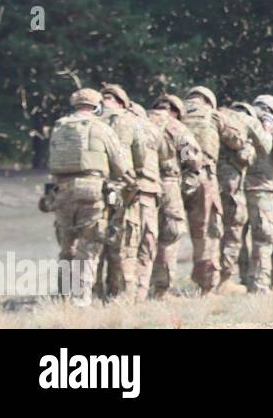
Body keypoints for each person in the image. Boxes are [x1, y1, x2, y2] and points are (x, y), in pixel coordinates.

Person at [42, 88, 130, 305]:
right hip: (92, 191)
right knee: (88, 248)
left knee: (66, 248)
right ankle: (81, 302)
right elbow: (120, 165)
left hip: (61, 191)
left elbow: (52, 160)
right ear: (97, 107)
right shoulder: (101, 128)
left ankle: (62, 297)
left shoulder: (59, 127)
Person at [180, 86, 247, 294]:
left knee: (166, 233)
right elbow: (237, 141)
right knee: (207, 234)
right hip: (204, 178)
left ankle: (157, 287)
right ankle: (207, 287)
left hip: (174, 178)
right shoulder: (214, 116)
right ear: (209, 101)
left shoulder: (176, 113)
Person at [99, 84, 157, 299]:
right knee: (126, 244)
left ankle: (90, 294)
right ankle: (124, 295)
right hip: (125, 189)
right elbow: (141, 155)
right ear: (123, 102)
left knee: (92, 243)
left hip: (95, 188)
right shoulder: (130, 121)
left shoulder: (90, 119)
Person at [147, 94, 202, 298]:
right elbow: (192, 161)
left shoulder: (140, 121)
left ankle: (135, 288)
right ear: (177, 112)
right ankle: (161, 290)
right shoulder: (176, 128)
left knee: (140, 237)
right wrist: (186, 187)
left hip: (140, 187)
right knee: (170, 235)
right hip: (168, 185)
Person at [243, 95, 273, 292]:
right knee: (264, 238)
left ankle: (242, 280)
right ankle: (260, 285)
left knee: (237, 238)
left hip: (238, 188)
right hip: (263, 190)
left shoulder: (245, 122)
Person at [218, 101, 267, 292]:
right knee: (234, 232)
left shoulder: (217, 120)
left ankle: (212, 277)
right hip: (231, 185)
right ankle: (224, 280)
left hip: (209, 184)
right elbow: (245, 157)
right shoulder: (244, 127)